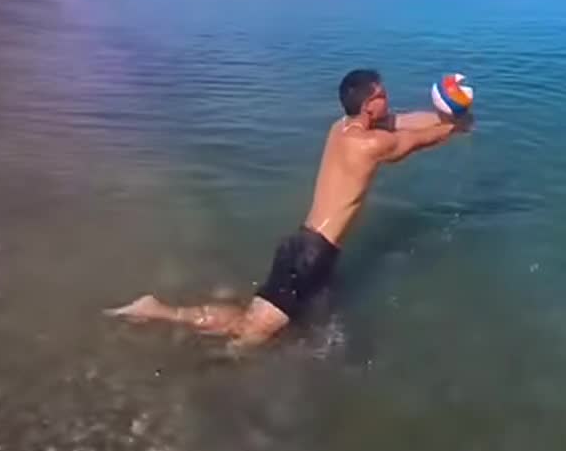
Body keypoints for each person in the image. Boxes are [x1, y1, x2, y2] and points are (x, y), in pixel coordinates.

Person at [107, 69, 470, 350]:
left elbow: (404, 121)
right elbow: (414, 140)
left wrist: (443, 119)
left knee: (298, 327)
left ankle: (270, 353)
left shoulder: (342, 128)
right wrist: (453, 125)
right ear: (366, 106)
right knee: (252, 331)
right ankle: (159, 312)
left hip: (310, 245)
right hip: (312, 253)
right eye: (382, 95)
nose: (388, 100)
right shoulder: (369, 145)